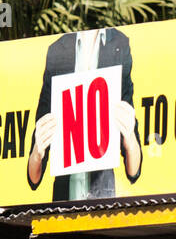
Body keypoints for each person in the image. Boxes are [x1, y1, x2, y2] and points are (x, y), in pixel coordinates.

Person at [26, 27, 143, 201]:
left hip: (102, 202)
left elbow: (133, 171)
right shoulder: (57, 49)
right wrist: (38, 150)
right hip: (63, 204)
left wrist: (129, 138)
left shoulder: (119, 43)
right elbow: (34, 178)